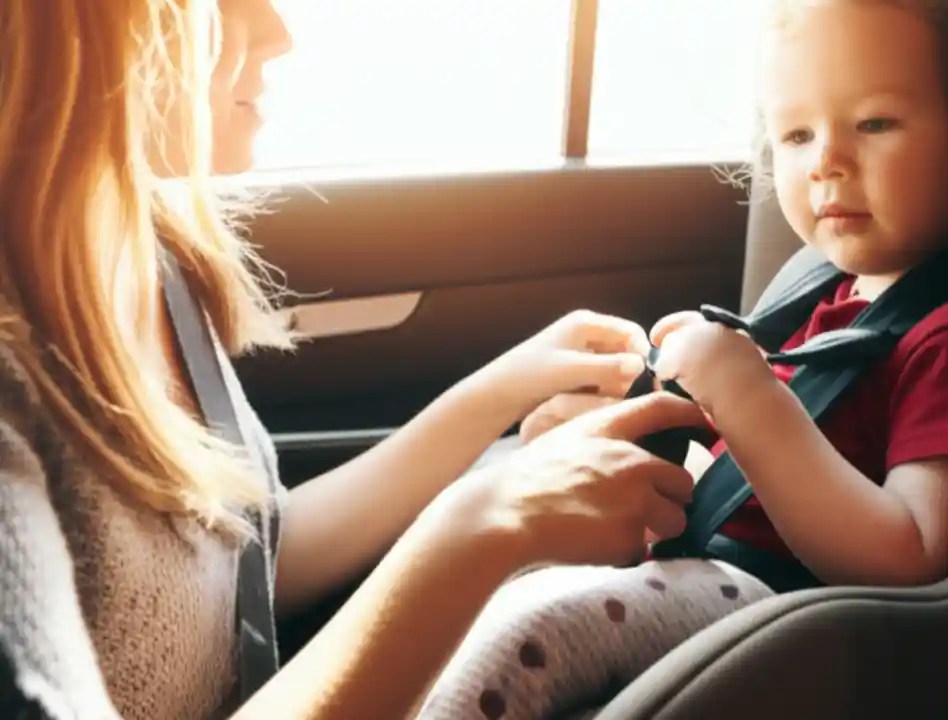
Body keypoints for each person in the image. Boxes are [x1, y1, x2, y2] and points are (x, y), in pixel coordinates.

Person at [0, 1, 708, 719]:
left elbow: (244, 571)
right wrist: (483, 526)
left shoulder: (132, 241)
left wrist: (495, 396)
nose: (279, 34)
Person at [419, 0, 948, 717]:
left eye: (874, 123)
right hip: (709, 565)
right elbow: (748, 481)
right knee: (479, 556)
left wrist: (748, 397)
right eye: (797, 134)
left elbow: (916, 555)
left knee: (526, 635)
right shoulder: (826, 290)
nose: (827, 161)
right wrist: (633, 440)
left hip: (784, 614)